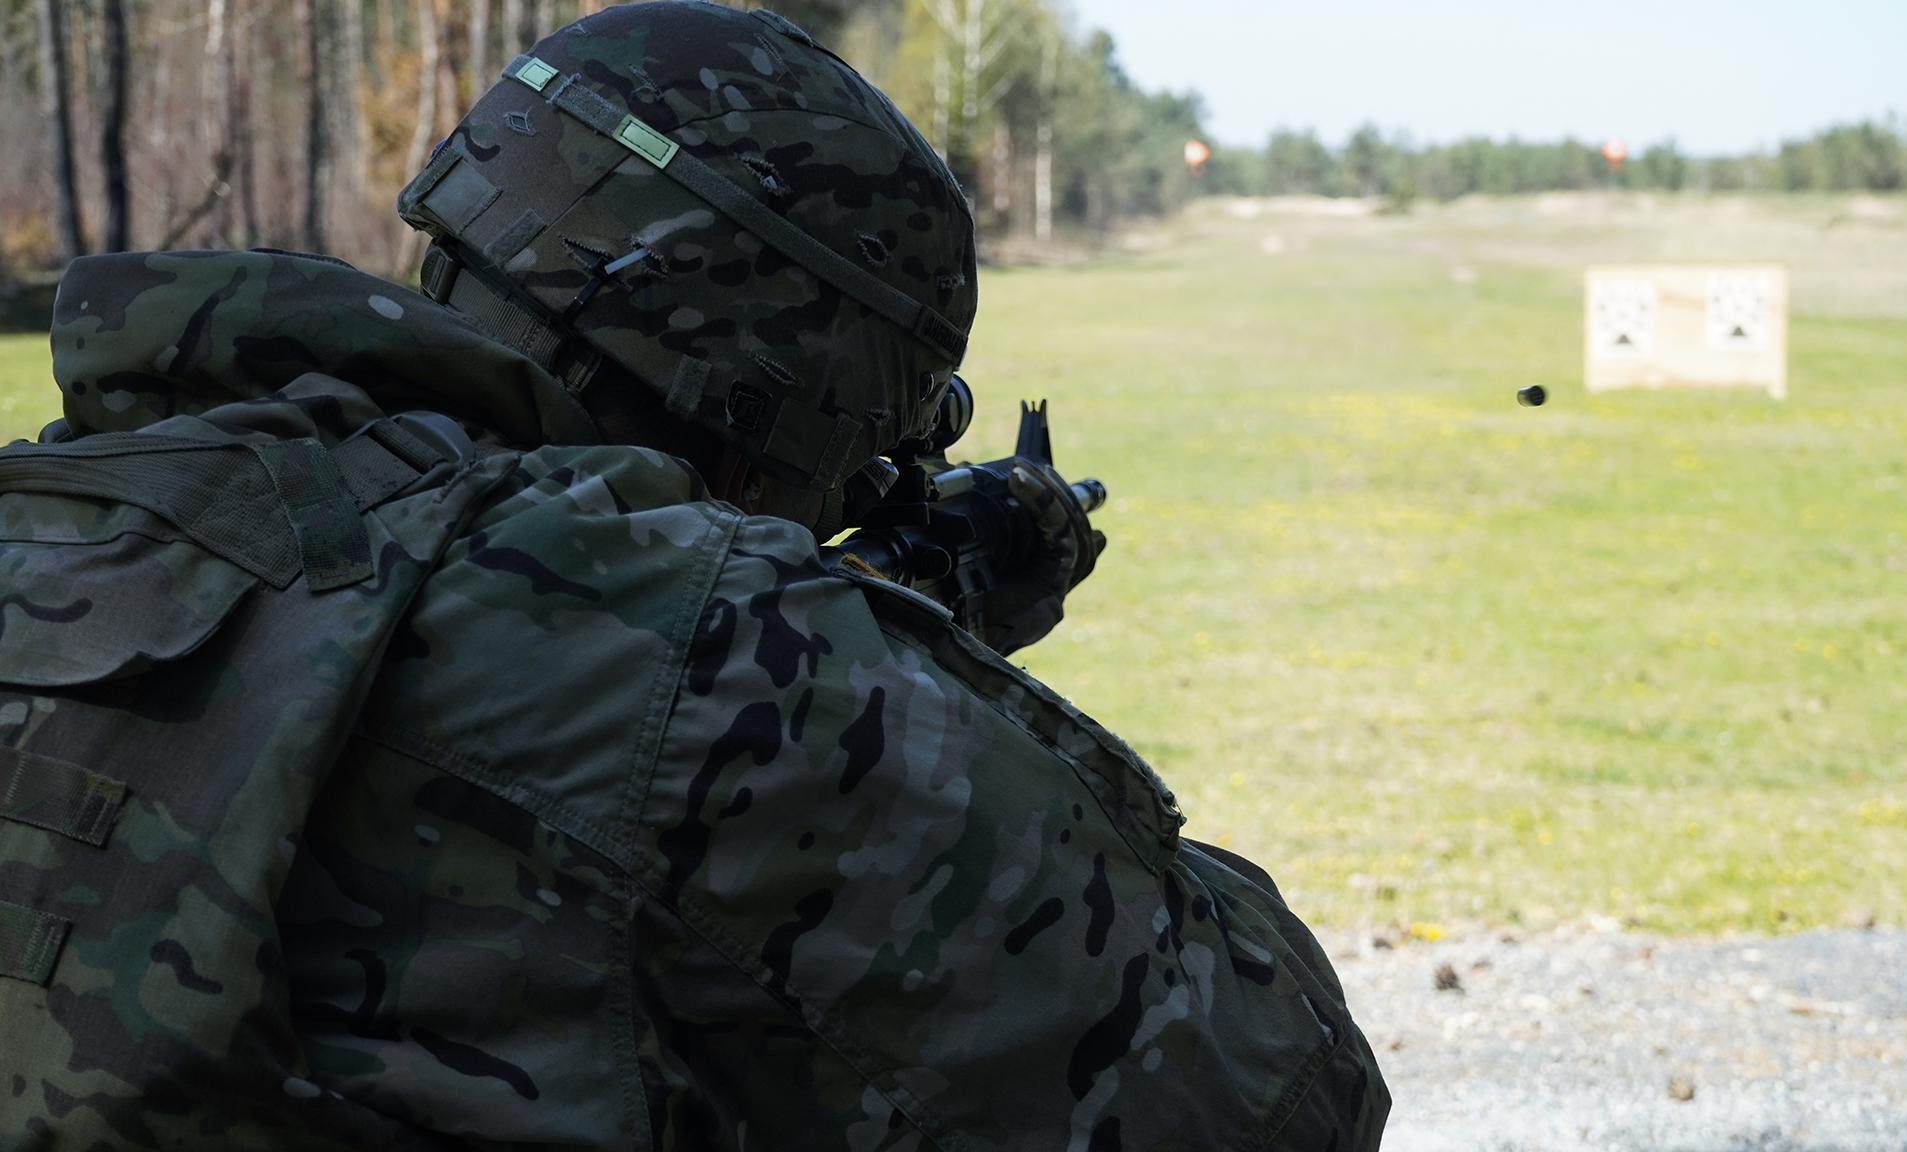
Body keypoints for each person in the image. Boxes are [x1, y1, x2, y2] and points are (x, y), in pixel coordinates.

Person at [0, 3, 1389, 1147]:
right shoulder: (704, 647)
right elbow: (1272, 1082)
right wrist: (893, 644)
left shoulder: (67, 505)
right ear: (785, 394)